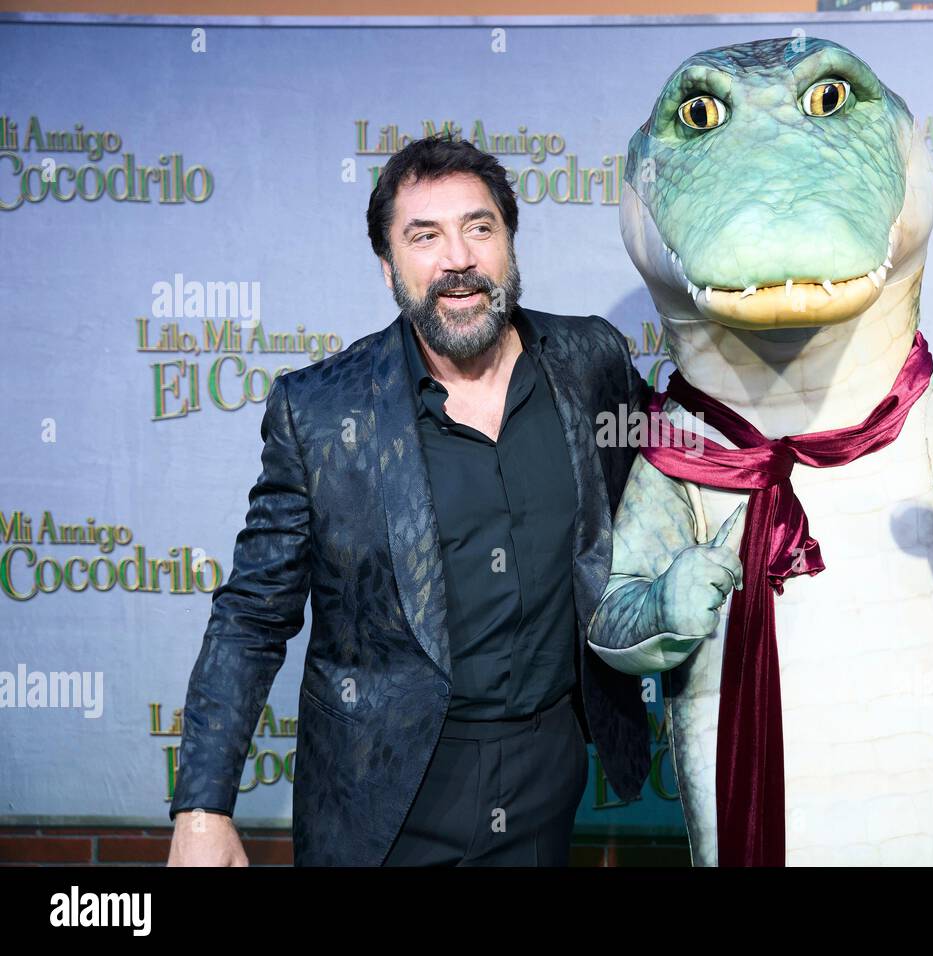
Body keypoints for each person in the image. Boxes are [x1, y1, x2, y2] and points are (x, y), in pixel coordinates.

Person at [167, 134, 651, 866]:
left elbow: (678, 477)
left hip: (545, 774)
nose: (457, 258)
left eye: (479, 228)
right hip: (380, 795)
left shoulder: (592, 364)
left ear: (510, 245)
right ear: (388, 266)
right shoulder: (321, 411)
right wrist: (203, 805)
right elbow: (251, 615)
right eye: (424, 236)